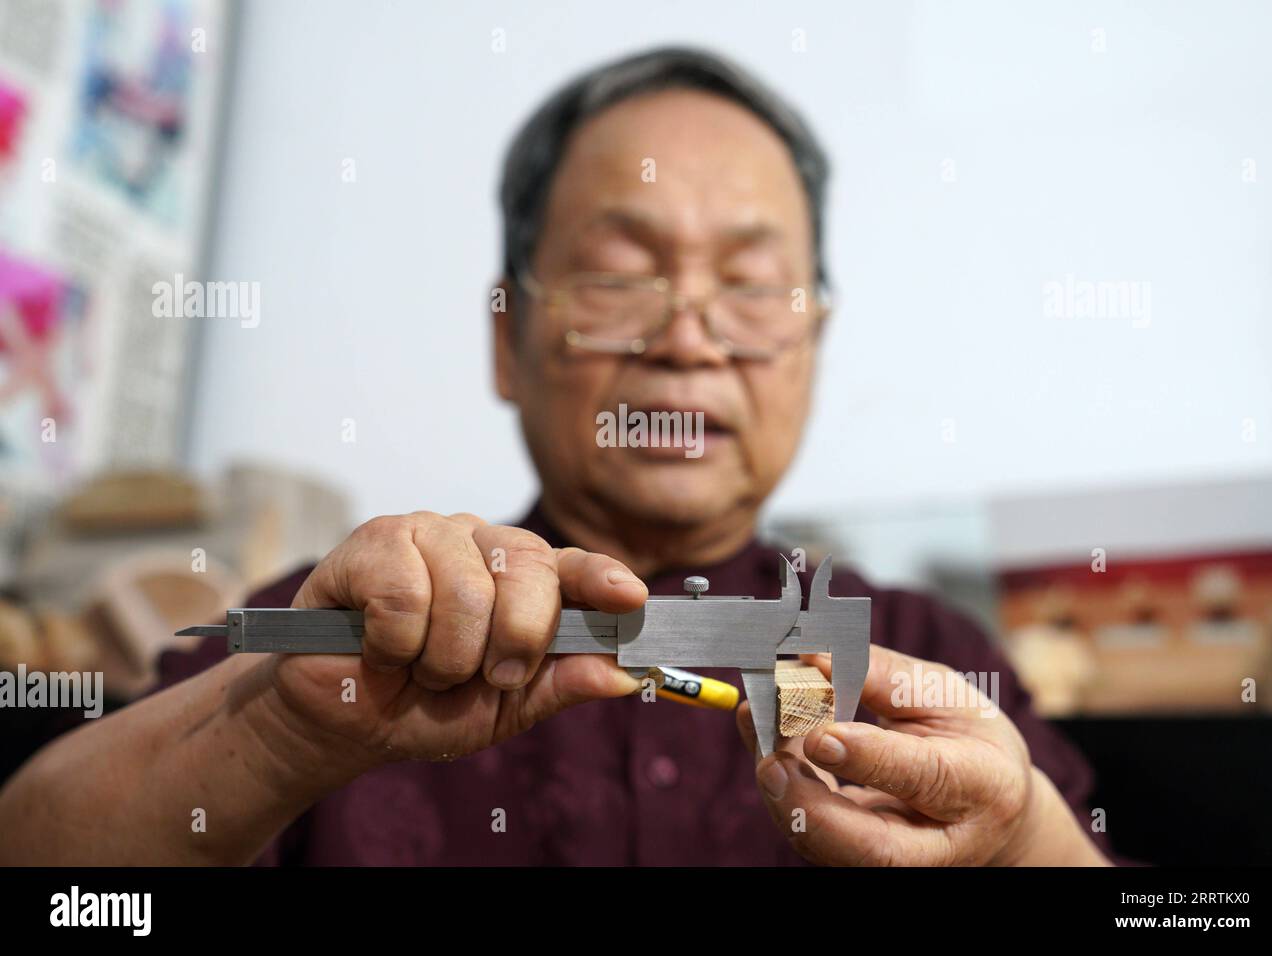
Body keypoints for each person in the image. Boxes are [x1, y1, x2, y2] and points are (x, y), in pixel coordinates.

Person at [0, 47, 1113, 866]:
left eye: (749, 284)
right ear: (506, 336)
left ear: (811, 343)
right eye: (620, 277)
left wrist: (1020, 841)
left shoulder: (928, 657)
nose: (686, 338)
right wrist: (281, 737)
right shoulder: (349, 632)